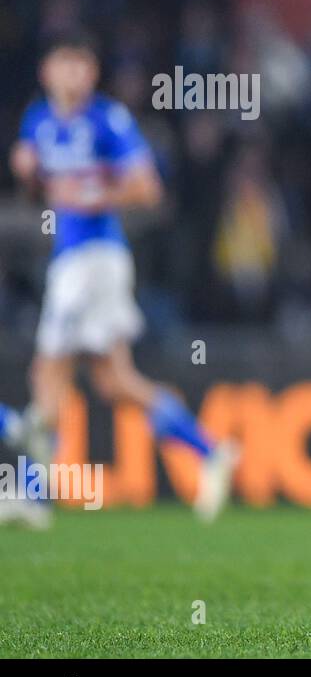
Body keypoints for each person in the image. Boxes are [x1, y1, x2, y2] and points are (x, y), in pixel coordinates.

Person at [0, 32, 239, 527]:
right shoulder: (38, 120)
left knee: (48, 377)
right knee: (114, 382)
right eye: (65, 64)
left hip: (95, 260)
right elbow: (38, 184)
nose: (74, 74)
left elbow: (148, 187)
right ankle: (210, 451)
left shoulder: (106, 119)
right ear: (47, 71)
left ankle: (32, 495)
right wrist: (27, 172)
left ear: (92, 73)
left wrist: (91, 195)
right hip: (70, 259)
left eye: (82, 65)